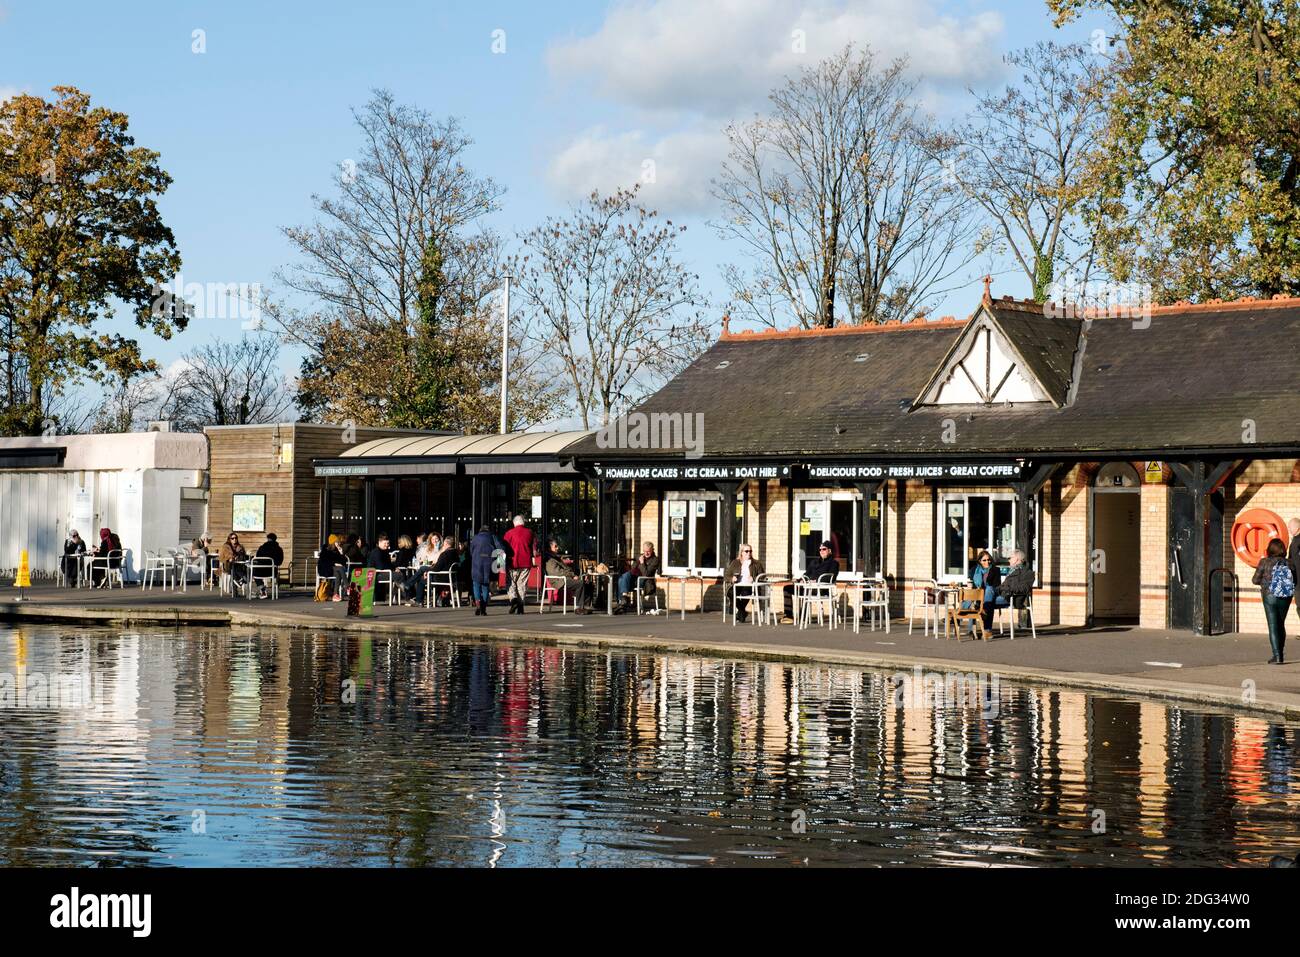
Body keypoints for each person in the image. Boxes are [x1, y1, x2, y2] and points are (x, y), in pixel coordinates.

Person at [1253, 537, 1296, 665]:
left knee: (1273, 625)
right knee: (1280, 624)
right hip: (1286, 596)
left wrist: (1265, 581)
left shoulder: (1264, 562)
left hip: (1269, 596)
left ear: (1270, 549)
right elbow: (1295, 581)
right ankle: (1280, 653)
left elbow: (1255, 580)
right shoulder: (1290, 563)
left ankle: (1277, 656)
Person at [782, 541, 837, 624]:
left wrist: (816, 580)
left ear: (829, 551)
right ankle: (788, 616)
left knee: (807, 591)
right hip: (808, 586)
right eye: (820, 549)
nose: (821, 551)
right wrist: (800, 580)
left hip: (821, 589)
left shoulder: (834, 563)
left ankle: (803, 618)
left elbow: (830, 577)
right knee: (787, 588)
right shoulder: (814, 562)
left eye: (824, 549)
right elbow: (807, 574)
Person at [502, 515, 536, 615]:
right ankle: (521, 606)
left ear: (514, 523)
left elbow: (502, 548)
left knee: (510, 583)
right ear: (523, 523)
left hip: (511, 563)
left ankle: (514, 601)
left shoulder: (508, 533)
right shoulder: (530, 533)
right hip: (525, 563)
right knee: (522, 584)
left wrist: (500, 564)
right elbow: (534, 549)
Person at [544, 538, 589, 613]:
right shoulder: (549, 559)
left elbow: (565, 569)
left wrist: (574, 576)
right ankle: (578, 608)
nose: (557, 548)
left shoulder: (555, 558)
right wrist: (572, 576)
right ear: (549, 548)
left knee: (587, 583)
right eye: (555, 546)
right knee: (580, 583)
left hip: (563, 578)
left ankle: (585, 606)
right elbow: (558, 573)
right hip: (559, 581)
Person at [723, 544, 765, 623]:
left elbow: (762, 576)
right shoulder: (735, 562)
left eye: (750, 551)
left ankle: (741, 613)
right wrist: (732, 578)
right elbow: (726, 576)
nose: (749, 553)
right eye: (746, 551)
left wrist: (754, 578)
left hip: (750, 586)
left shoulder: (756, 563)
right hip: (737, 585)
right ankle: (742, 611)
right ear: (741, 552)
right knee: (730, 592)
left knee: (746, 593)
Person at [616, 541, 660, 612]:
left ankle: (622, 602)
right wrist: (638, 562)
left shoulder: (655, 560)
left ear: (652, 550)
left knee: (622, 579)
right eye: (645, 551)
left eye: (648, 551)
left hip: (644, 580)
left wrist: (642, 563)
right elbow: (632, 569)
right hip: (634, 578)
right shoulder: (639, 556)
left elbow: (646, 574)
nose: (646, 553)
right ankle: (623, 601)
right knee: (623, 577)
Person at [970, 550, 1006, 634]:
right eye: (984, 560)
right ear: (979, 561)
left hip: (991, 592)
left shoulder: (995, 570)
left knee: (989, 593)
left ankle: (986, 625)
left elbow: (997, 585)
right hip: (978, 593)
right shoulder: (974, 570)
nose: (987, 562)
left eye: (988, 559)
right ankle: (969, 629)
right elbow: (971, 583)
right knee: (968, 600)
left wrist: (985, 590)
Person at [469, 525, 503, 615]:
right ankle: (483, 607)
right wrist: (499, 565)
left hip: (476, 564)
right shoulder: (492, 537)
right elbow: (501, 550)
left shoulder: (475, 538)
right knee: (485, 585)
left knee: (476, 584)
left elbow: (471, 551)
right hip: (489, 564)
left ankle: (478, 604)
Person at [252, 532, 284, 598]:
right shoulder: (279, 549)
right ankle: (263, 591)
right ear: (275, 539)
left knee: (253, 571)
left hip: (260, 571)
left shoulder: (262, 548)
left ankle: (262, 588)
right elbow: (280, 562)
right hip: (272, 572)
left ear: (268, 539)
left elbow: (257, 558)